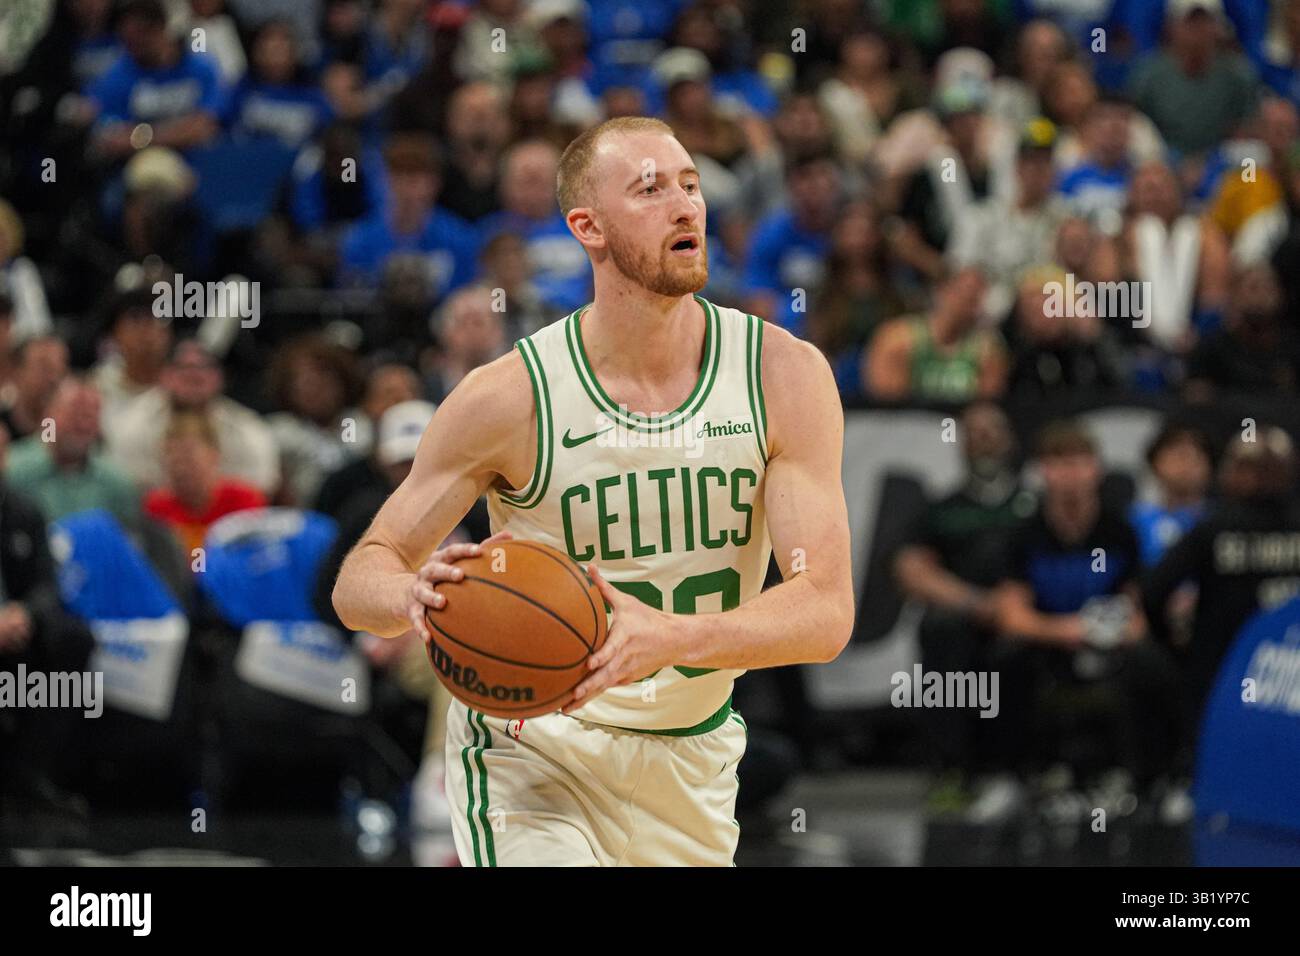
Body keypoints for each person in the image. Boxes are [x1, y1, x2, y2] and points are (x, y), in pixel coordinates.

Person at [332, 115, 855, 867]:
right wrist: (414, 597)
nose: (684, 206)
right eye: (650, 190)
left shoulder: (783, 375)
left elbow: (825, 610)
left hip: (690, 759)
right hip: (534, 755)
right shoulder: (508, 397)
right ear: (588, 227)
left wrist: (671, 638)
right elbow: (363, 575)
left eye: (690, 185)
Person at [143, 411, 267, 556]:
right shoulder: (156, 508)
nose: (181, 469)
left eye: (189, 459)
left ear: (214, 456)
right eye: (174, 461)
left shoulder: (244, 502)